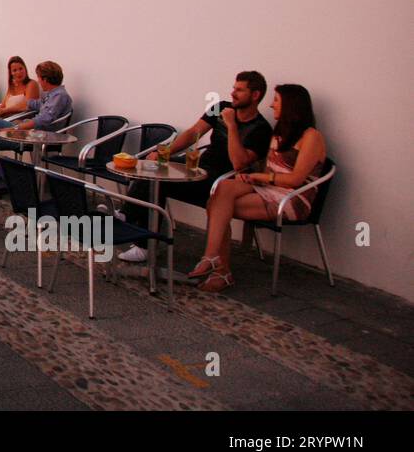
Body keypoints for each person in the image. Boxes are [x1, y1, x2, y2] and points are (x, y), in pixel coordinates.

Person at [118, 70, 273, 263]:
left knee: (161, 182)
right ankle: (128, 218)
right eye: (233, 88)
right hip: (200, 166)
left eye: (239, 90)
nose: (232, 93)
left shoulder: (261, 129)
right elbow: (194, 133)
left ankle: (137, 235)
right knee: (152, 169)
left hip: (221, 180)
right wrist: (165, 152)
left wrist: (232, 125)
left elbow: (239, 163)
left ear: (255, 95)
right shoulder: (220, 107)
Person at [188, 84, 326, 292]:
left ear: (292, 105)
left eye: (277, 100)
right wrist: (250, 175)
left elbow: (296, 179)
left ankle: (219, 268)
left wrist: (260, 176)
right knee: (223, 189)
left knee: (216, 207)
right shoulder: (280, 133)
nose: (271, 105)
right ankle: (214, 260)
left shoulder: (311, 137)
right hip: (268, 188)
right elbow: (266, 166)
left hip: (291, 198)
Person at [0, 61, 72, 169]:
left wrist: (14, 128)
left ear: (45, 79)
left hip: (33, 137)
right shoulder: (51, 95)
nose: (38, 81)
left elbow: (42, 120)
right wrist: (7, 106)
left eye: (39, 78)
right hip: (25, 130)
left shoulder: (59, 96)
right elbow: (33, 104)